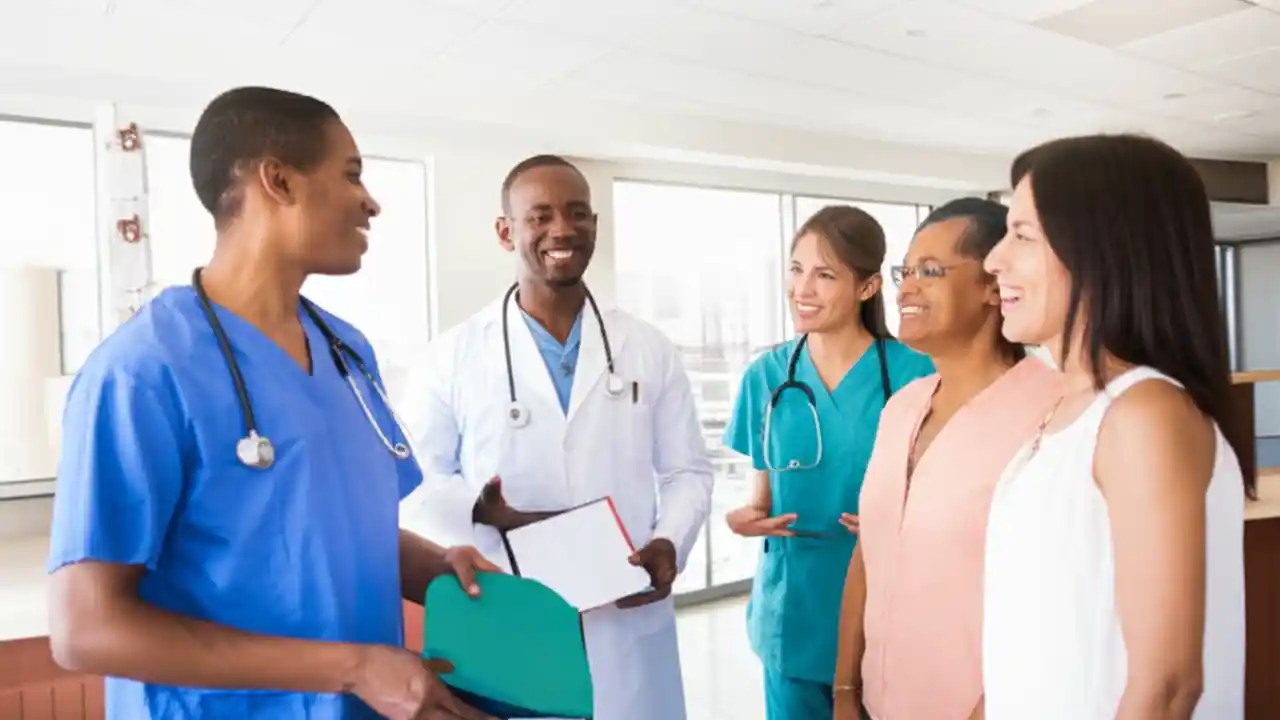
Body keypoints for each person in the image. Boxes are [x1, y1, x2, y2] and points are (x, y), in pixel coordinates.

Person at [45, 86, 497, 720]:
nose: (371, 202)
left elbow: (326, 525)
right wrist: (353, 668)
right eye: (351, 175)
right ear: (278, 180)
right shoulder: (141, 373)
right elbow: (85, 628)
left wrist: (435, 565)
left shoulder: (347, 351)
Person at [399, 154, 714, 720]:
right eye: (539, 216)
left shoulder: (646, 347)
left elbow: (687, 471)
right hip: (511, 608)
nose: (561, 229)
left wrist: (670, 541)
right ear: (505, 232)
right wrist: (480, 508)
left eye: (577, 214)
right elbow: (418, 479)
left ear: (594, 224)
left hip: (625, 611)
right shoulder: (451, 355)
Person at [980, 134, 1249, 719]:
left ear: (1103, 251)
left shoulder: (1144, 414)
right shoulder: (1067, 411)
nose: (993, 259)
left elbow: (1168, 686)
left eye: (1022, 235)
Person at [831, 198, 1064, 720]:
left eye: (930, 271)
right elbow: (872, 548)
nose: (906, 286)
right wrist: (845, 692)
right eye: (905, 270)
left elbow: (1056, 607)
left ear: (992, 284)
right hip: (881, 703)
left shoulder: (1053, 413)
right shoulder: (902, 407)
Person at [723, 205, 935, 719]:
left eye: (824, 274)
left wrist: (902, 525)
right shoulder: (767, 375)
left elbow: (942, 495)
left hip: (886, 606)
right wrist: (744, 519)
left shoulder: (917, 372)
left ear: (866, 287)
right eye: (796, 270)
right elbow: (761, 499)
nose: (802, 289)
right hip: (792, 613)